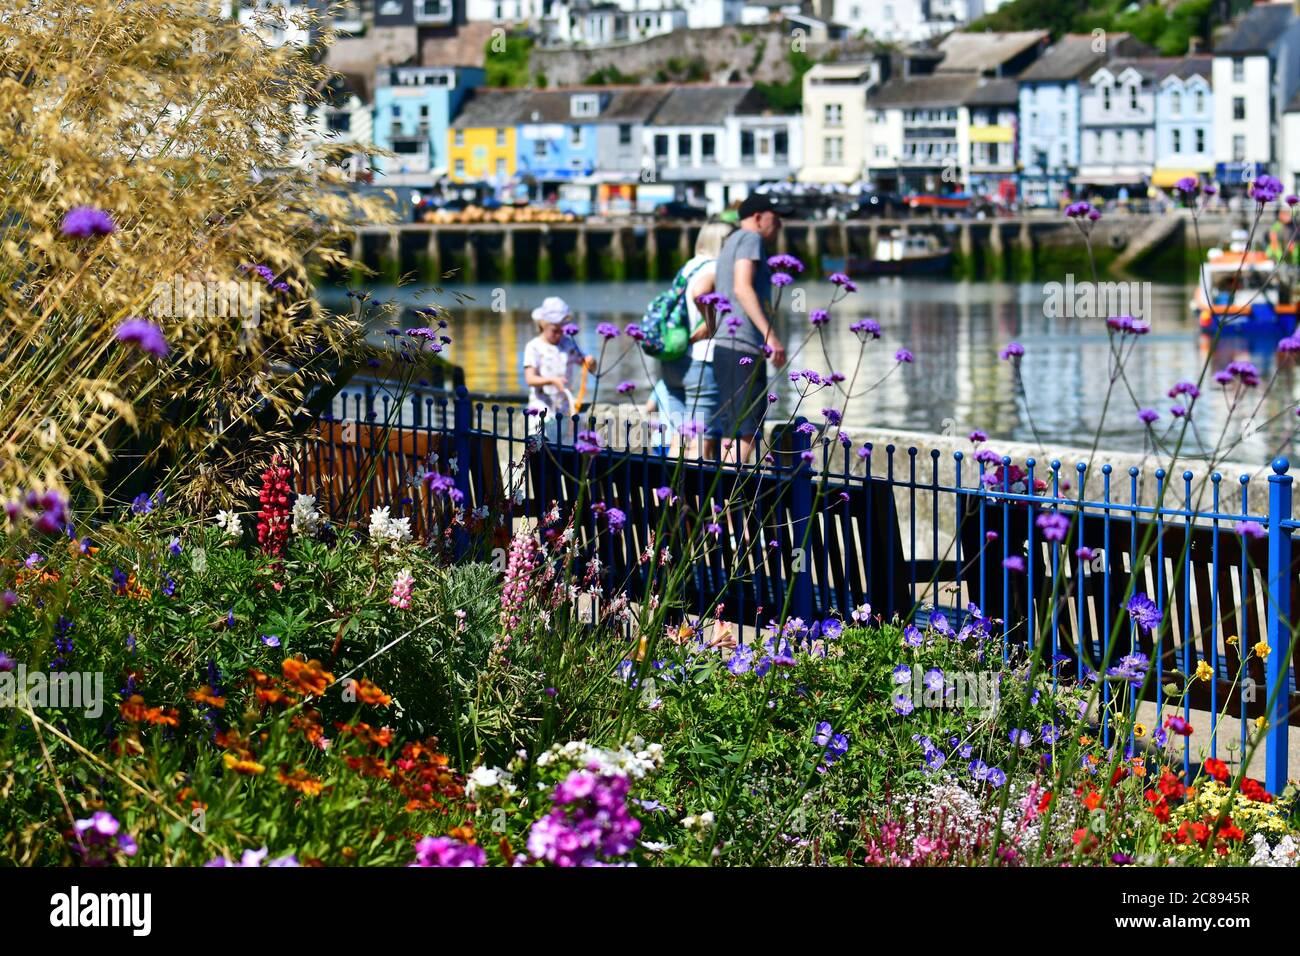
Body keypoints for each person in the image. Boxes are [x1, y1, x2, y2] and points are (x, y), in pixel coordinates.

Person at [710, 192, 786, 462]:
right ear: (757, 217)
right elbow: (743, 288)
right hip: (741, 346)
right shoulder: (750, 239)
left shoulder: (730, 241)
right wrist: (771, 337)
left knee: (734, 430)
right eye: (775, 219)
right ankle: (729, 501)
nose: (779, 226)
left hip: (727, 347)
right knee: (745, 431)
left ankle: (724, 502)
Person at [650, 219, 735, 458]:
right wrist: (711, 324)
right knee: (700, 441)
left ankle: (668, 495)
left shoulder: (688, 267)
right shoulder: (715, 268)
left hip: (674, 361)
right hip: (701, 362)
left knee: (680, 436)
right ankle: (699, 496)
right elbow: (700, 293)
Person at [522, 296, 595, 442]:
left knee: (566, 447)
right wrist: (552, 381)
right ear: (543, 325)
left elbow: (588, 367)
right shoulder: (534, 346)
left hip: (564, 409)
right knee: (540, 447)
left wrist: (591, 362)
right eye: (555, 330)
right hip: (541, 408)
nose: (559, 334)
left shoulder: (567, 344)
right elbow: (530, 379)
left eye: (562, 330)